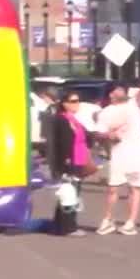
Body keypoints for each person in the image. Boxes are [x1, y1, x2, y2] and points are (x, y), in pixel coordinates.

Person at [95, 83, 140, 236]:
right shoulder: (105, 113)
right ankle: (108, 220)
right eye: (118, 89)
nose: (122, 91)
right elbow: (99, 134)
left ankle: (130, 223)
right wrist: (108, 136)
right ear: (111, 94)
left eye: (123, 88)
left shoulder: (133, 104)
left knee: (135, 188)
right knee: (113, 188)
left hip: (137, 154)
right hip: (118, 154)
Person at [51, 90, 93, 237]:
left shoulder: (74, 120)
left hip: (79, 160)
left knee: (71, 193)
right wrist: (65, 161)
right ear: (65, 104)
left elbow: (87, 137)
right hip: (69, 162)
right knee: (69, 194)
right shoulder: (62, 119)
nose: (77, 104)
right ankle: (68, 227)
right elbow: (61, 143)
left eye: (78, 101)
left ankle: (60, 225)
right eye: (73, 101)